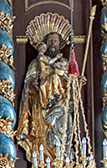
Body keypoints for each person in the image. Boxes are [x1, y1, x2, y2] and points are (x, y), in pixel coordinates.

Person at [17, 28, 70, 160]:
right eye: (50, 41)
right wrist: (31, 83)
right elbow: (28, 80)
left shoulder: (64, 64)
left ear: (60, 44)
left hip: (60, 103)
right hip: (40, 103)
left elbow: (70, 81)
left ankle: (60, 160)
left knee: (60, 130)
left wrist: (76, 82)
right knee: (42, 132)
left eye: (55, 41)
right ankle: (43, 162)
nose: (53, 44)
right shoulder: (37, 62)